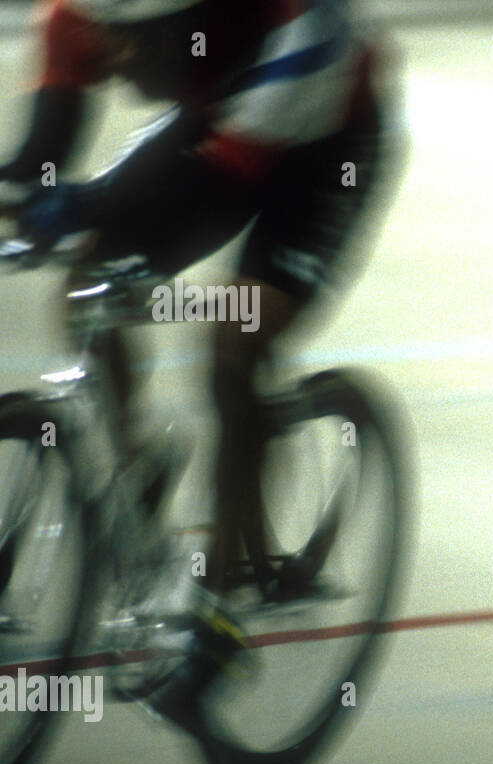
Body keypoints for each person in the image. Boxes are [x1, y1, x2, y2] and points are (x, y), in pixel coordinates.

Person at [0, 0, 399, 699]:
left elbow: (218, 171)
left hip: (322, 142)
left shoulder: (296, 32)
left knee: (235, 340)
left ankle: (212, 606)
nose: (116, 64)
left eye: (133, 45)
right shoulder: (78, 18)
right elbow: (38, 159)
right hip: (221, 114)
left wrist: (82, 204)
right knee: (87, 282)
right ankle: (138, 465)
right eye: (106, 43)